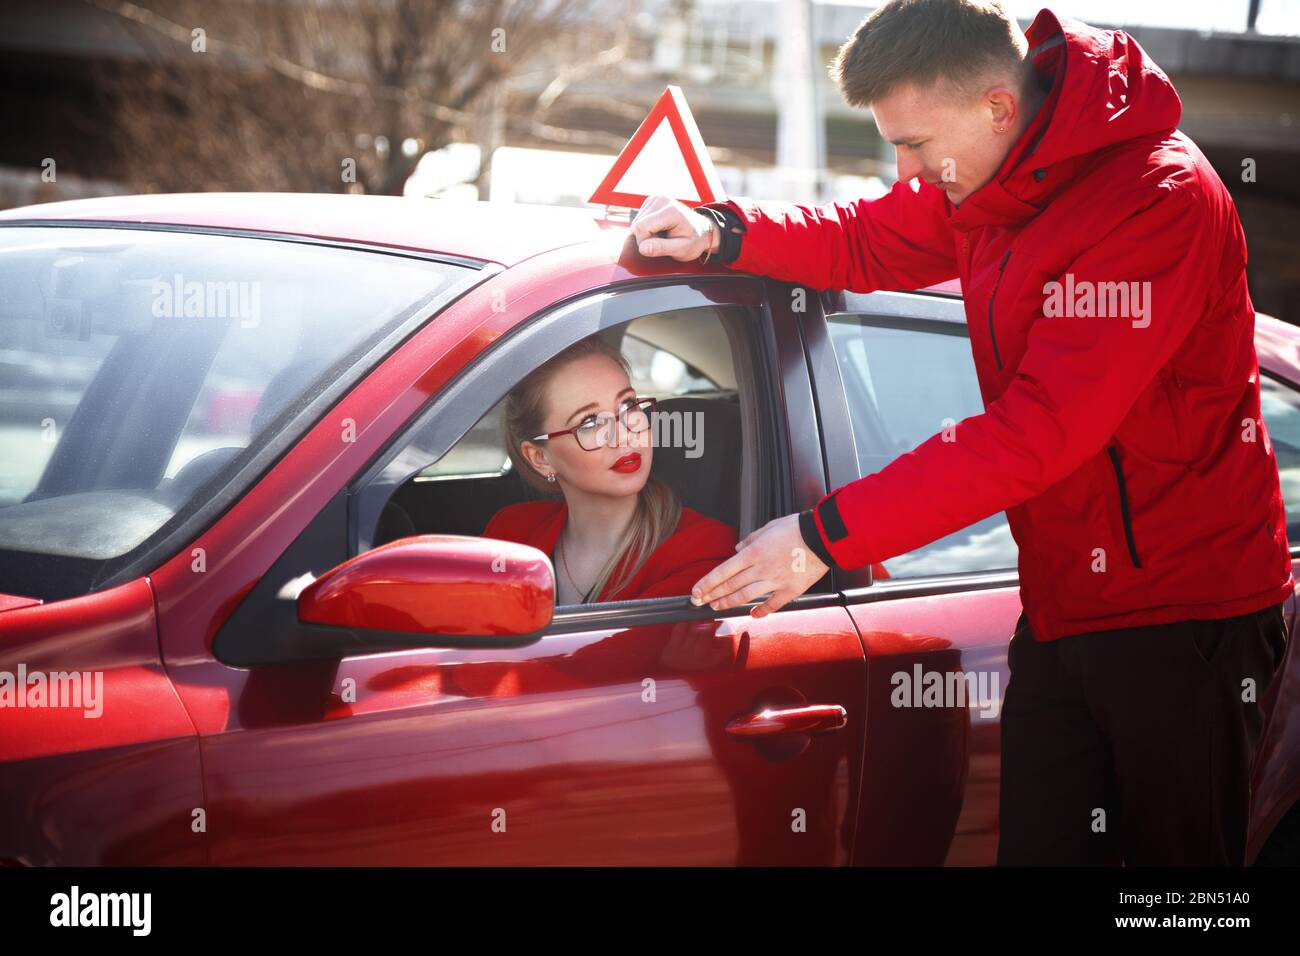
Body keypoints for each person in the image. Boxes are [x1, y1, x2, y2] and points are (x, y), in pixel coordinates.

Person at [632, 0, 1292, 865]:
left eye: (912, 144)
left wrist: (823, 536)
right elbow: (868, 241)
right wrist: (724, 231)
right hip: (1062, 606)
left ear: (995, 107)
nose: (904, 167)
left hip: (1189, 620)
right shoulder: (992, 175)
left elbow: (1037, 435)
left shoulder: (1153, 201)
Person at [481, 333, 738, 604]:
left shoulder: (703, 548)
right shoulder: (510, 532)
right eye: (590, 422)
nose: (625, 433)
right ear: (540, 458)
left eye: (627, 405)